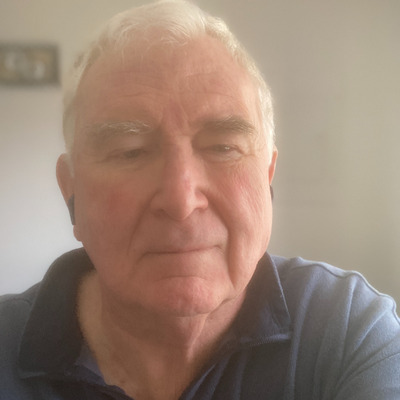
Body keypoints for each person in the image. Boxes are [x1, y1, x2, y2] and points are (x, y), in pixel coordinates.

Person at [1, 1, 399, 399]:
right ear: (71, 190)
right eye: (130, 151)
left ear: (267, 175)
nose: (181, 201)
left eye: (223, 147)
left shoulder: (347, 329)